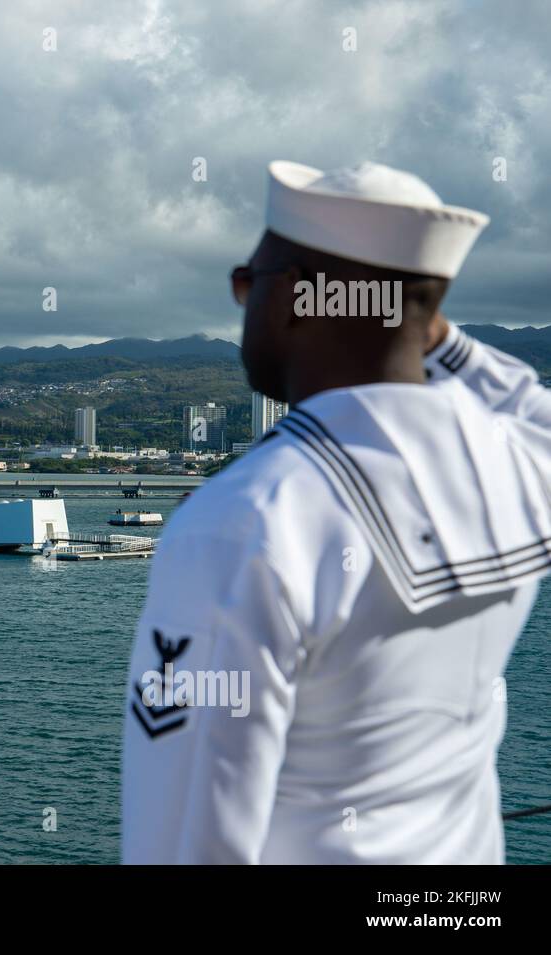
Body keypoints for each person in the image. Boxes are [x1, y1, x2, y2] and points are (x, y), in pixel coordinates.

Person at [121, 161, 551, 863]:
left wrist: (410, 310)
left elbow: (183, 843)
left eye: (244, 281)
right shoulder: (519, 463)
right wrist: (418, 317)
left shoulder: (247, 520)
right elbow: (531, 409)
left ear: (295, 295)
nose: (242, 302)